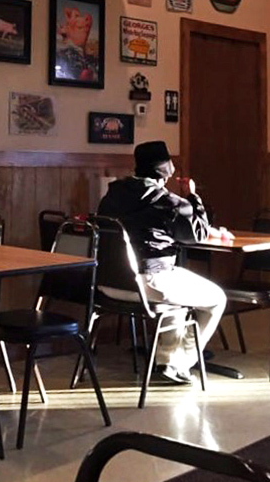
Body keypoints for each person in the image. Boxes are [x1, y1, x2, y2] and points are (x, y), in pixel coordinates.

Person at [97, 140, 227, 384]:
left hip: (108, 283)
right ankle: (181, 363)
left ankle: (167, 361)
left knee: (177, 300)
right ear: (166, 171)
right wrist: (193, 195)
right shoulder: (165, 201)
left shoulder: (112, 195)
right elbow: (196, 233)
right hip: (149, 284)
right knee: (217, 298)